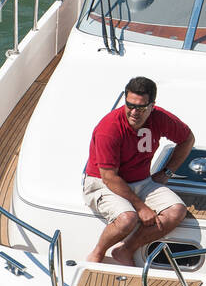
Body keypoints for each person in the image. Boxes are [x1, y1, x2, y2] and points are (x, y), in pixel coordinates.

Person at [82, 77, 195, 265]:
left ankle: (125, 250)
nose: (134, 112)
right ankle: (97, 253)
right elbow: (109, 177)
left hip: (142, 181)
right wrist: (141, 208)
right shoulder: (109, 128)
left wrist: (167, 172)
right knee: (128, 219)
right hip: (103, 184)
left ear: (152, 106)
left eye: (141, 107)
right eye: (130, 105)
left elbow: (187, 139)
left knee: (177, 211)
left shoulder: (160, 118)